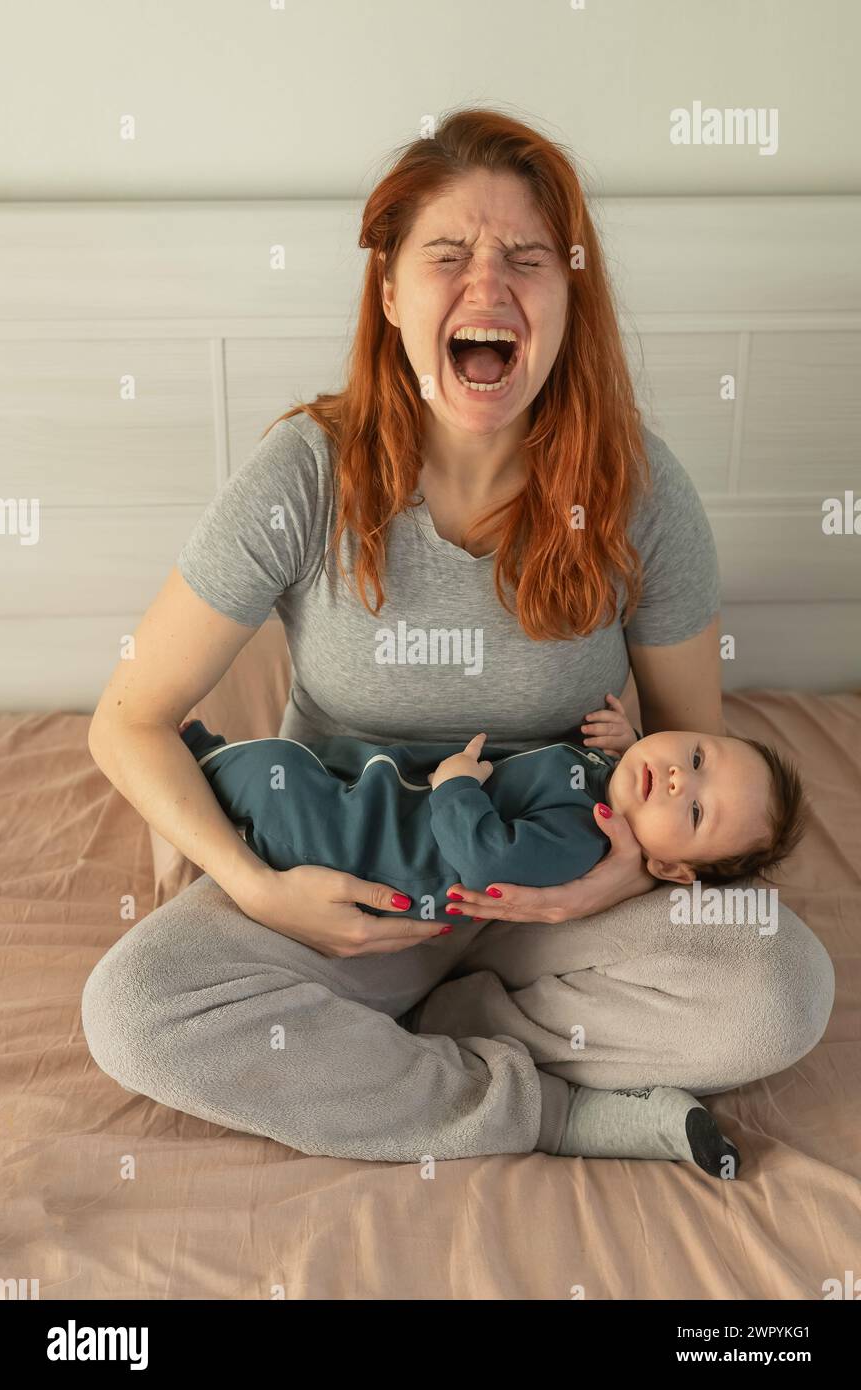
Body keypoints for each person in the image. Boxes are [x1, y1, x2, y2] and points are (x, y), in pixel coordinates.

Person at [81, 108, 833, 1174]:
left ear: (571, 301)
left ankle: (442, 1033)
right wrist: (258, 892)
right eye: (449, 255)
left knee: (783, 990)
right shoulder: (305, 474)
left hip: (549, 899)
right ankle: (550, 1111)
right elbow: (127, 725)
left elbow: (686, 757)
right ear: (390, 293)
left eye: (529, 258)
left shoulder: (643, 494)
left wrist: (611, 884)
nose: (490, 286)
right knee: (134, 1008)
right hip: (347, 881)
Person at [175, 696, 806, 917]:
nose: (675, 781)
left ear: (669, 869)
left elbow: (484, 863)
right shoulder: (614, 783)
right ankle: (199, 778)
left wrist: (456, 788)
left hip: (367, 848)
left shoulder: (580, 842)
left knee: (277, 781)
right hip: (392, 797)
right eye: (695, 759)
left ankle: (197, 761)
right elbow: (650, 774)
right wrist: (632, 745)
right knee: (297, 768)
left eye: (696, 814)